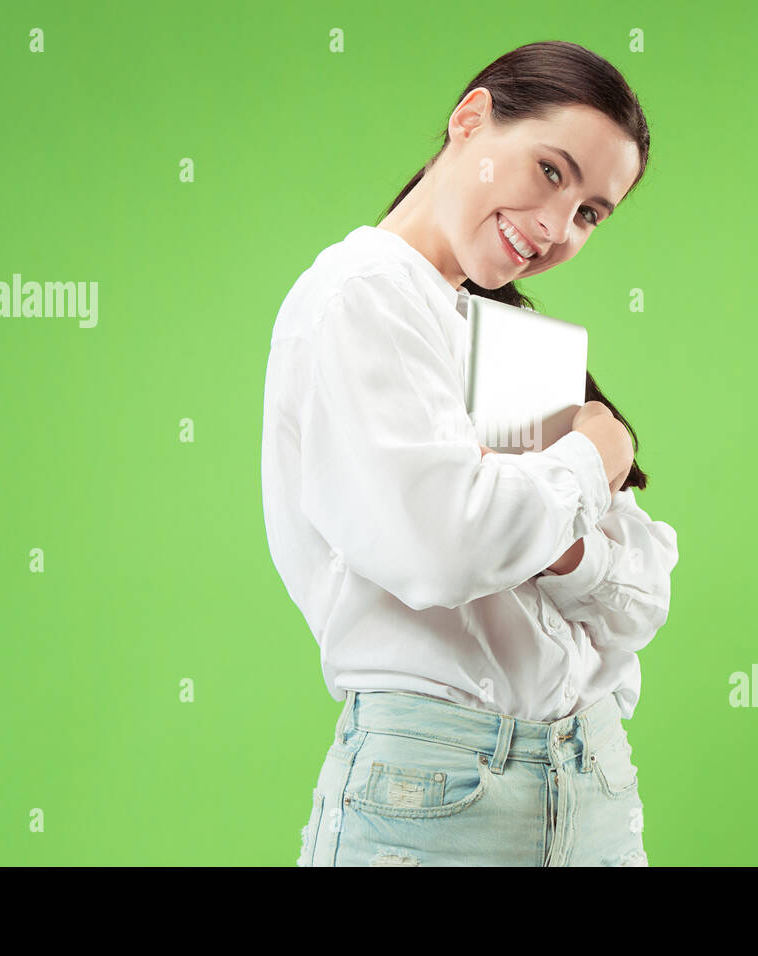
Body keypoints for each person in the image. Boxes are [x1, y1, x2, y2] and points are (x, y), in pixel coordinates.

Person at [261, 40, 678, 866]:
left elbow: (644, 596)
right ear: (471, 119)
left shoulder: (511, 340)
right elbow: (445, 547)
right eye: (552, 172)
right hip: (436, 800)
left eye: (592, 212)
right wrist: (593, 457)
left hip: (593, 787)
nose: (559, 227)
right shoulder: (360, 298)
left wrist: (551, 540)